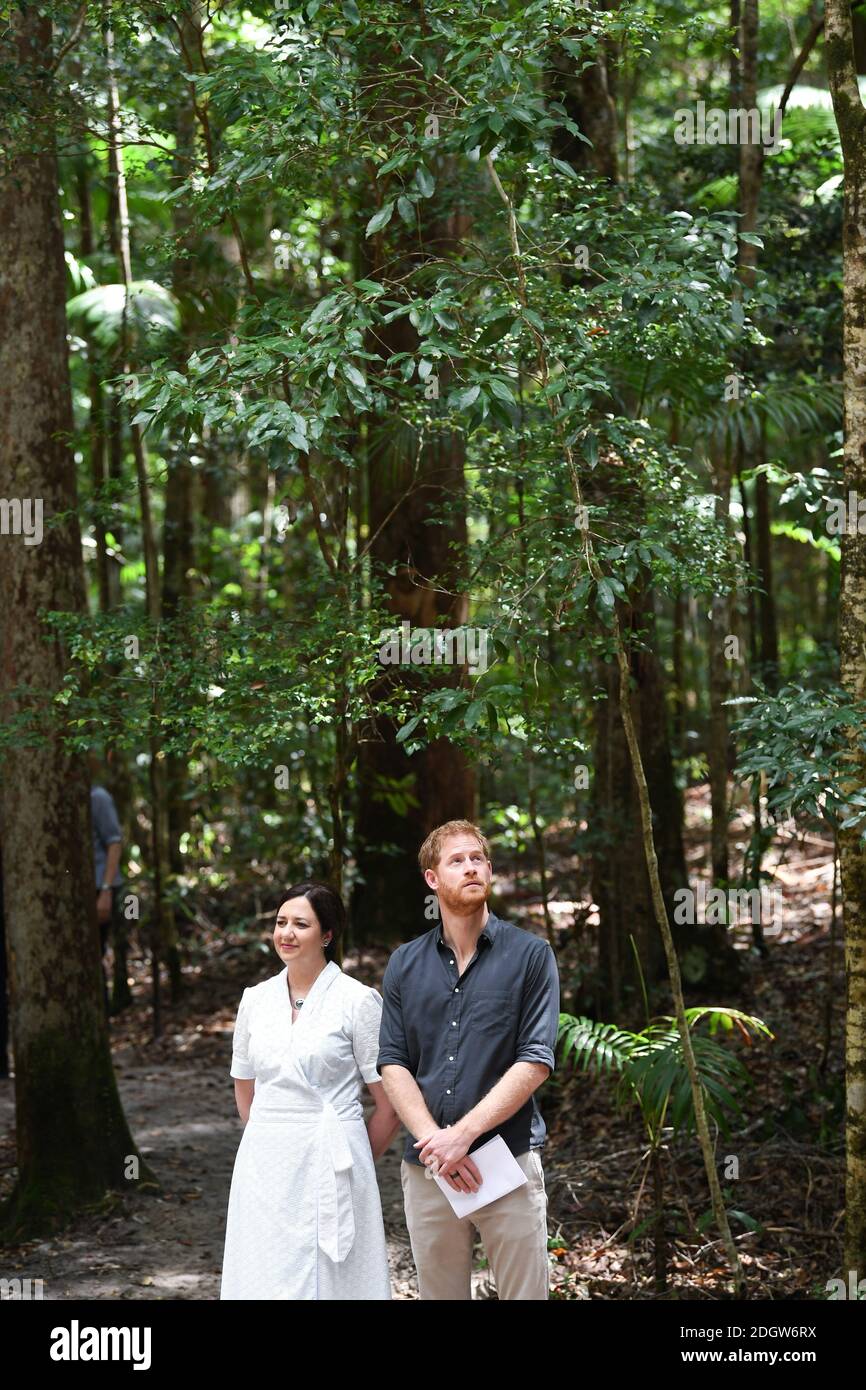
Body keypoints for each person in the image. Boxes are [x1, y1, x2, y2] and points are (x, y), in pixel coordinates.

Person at [377, 820, 560, 1301]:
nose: (470, 867)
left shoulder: (531, 956)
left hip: (509, 1161)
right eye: (456, 860)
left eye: (477, 858)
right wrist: (438, 1145)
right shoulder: (404, 964)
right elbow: (392, 1062)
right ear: (432, 879)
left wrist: (463, 1136)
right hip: (430, 1171)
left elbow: (536, 1059)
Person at [220, 882, 400, 1300]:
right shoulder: (255, 1000)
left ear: (327, 935)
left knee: (331, 1278)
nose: (286, 933)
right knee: (265, 1270)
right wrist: (272, 1139)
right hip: (265, 1164)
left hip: (333, 1157)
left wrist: (351, 1155)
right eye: (281, 922)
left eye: (301, 924)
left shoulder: (358, 1001)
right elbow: (244, 1087)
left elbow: (388, 1106)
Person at [90, 773, 124, 1013]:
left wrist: (106, 890)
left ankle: (116, 1003)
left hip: (105, 887)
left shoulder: (97, 797)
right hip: (87, 888)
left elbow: (114, 842)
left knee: (108, 947)